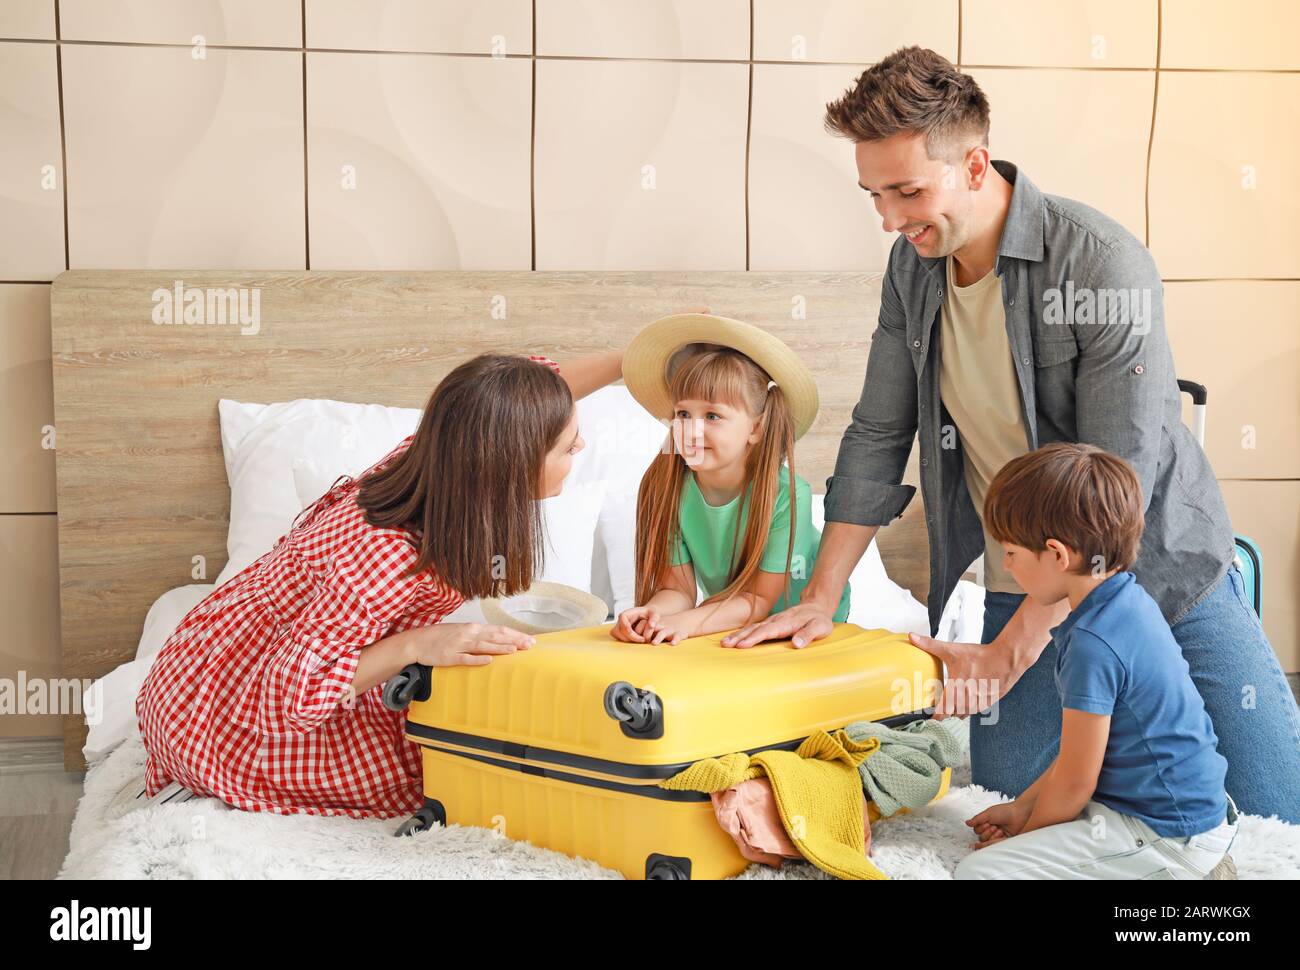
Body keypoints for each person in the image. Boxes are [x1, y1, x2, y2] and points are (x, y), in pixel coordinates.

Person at [722, 46, 1300, 822]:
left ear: (974, 163)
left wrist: (1009, 655)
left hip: (1159, 569)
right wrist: (821, 598)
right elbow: (878, 430)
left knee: (1280, 809)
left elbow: (1112, 487)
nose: (890, 219)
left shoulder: (1101, 266)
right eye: (874, 194)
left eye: (906, 191)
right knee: (1000, 803)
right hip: (1023, 574)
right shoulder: (911, 269)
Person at [129, 350, 623, 819]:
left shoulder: (443, 455)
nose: (580, 446)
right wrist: (417, 643)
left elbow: (540, 391)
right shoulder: (388, 555)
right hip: (224, 712)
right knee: (450, 769)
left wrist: (633, 360)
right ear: (510, 461)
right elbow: (295, 695)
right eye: (566, 444)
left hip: (230, 661)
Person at [955, 442, 1238, 879]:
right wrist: (1022, 806)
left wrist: (1028, 837)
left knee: (979, 871)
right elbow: (1075, 758)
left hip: (1169, 836)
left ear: (1057, 554)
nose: (1007, 567)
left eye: (1010, 553)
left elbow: (1074, 784)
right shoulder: (1126, 600)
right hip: (1185, 817)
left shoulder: (1092, 643)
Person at [611, 313, 850, 645]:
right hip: (731, 623)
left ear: (756, 428)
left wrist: (688, 624)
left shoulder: (788, 494)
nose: (692, 430)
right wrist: (653, 615)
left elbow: (759, 601)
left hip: (806, 629)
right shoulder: (666, 488)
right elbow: (676, 589)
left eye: (712, 416)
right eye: (683, 414)